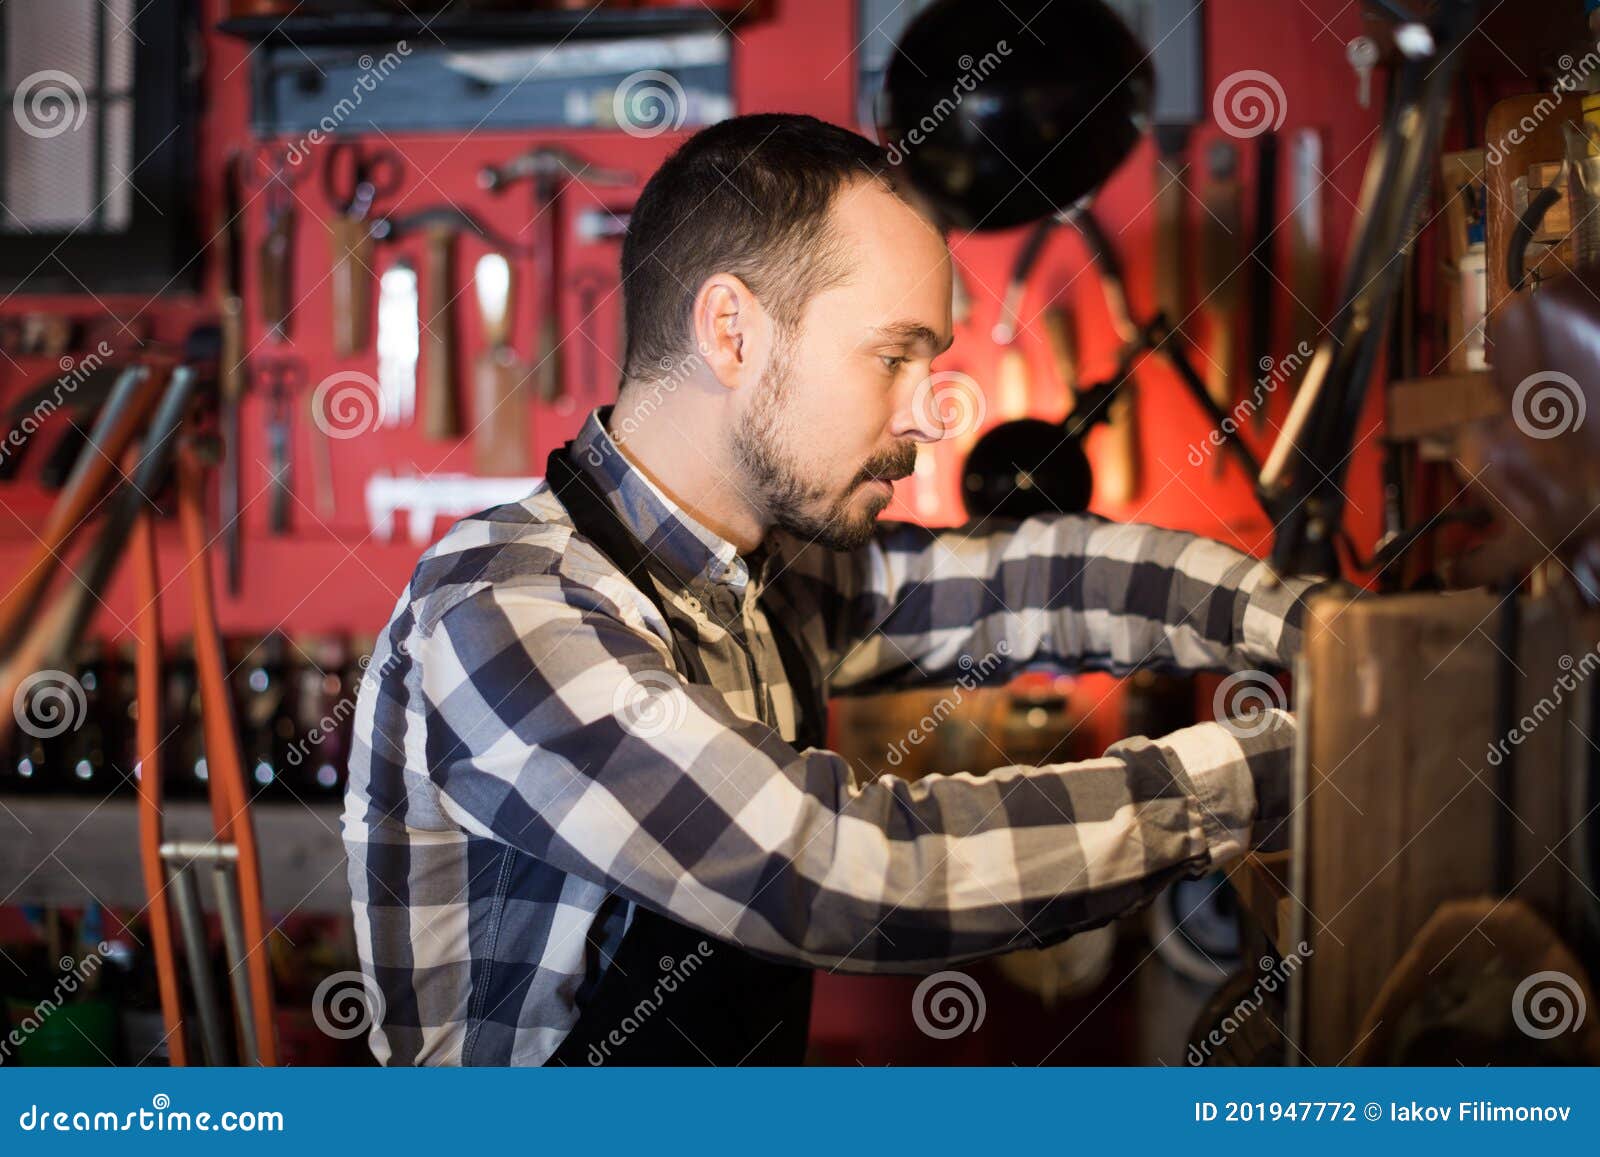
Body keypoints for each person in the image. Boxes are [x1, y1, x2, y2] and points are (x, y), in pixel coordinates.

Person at [342, 112, 1330, 1066]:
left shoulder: (766, 570)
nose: (930, 413)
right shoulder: (506, 608)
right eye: (893, 356)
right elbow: (838, 871)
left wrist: (1316, 628)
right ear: (731, 332)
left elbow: (1034, 580)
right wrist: (1254, 777)